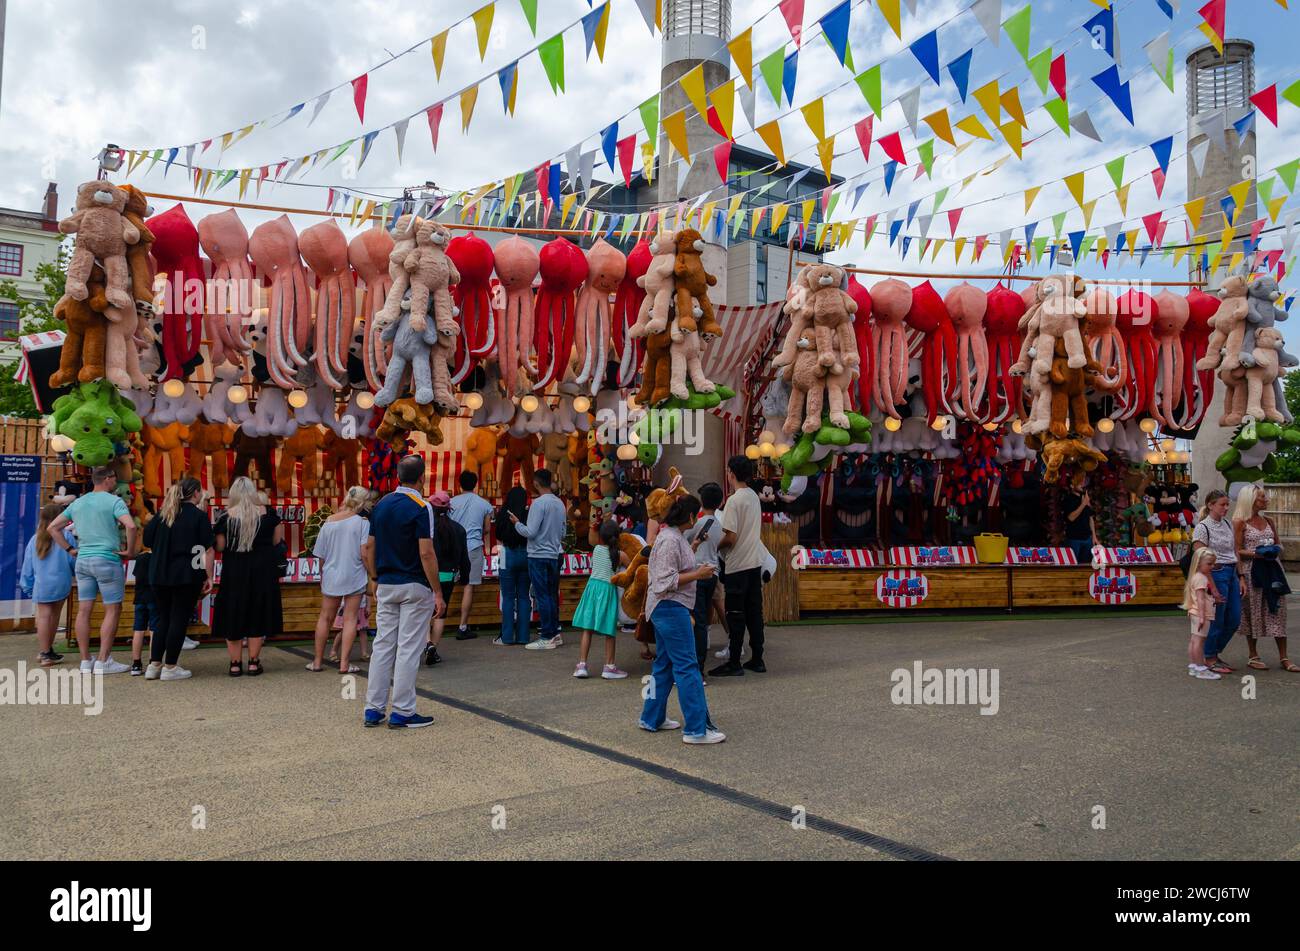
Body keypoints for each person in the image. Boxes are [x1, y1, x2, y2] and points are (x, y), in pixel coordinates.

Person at [361, 456, 445, 729]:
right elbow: (426, 551)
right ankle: (402, 710)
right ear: (422, 478)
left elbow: (368, 547)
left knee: (383, 645)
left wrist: (374, 577)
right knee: (409, 647)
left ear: (398, 476)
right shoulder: (422, 507)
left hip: (385, 582)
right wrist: (437, 591)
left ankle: (373, 708)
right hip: (414, 584)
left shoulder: (381, 505)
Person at [638, 495, 725, 744]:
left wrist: (695, 546)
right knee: (687, 666)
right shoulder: (670, 539)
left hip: (667, 608)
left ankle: (651, 717)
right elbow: (666, 582)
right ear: (689, 516)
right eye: (695, 514)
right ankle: (697, 729)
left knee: (665, 665)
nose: (697, 518)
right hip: (670, 607)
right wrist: (698, 574)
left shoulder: (672, 537)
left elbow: (671, 570)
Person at [48, 466, 137, 675]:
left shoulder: (78, 502)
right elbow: (131, 526)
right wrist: (130, 551)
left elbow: (52, 527)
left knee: (84, 610)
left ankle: (85, 660)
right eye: (114, 478)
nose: (115, 481)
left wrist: (70, 549)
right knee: (112, 609)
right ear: (107, 479)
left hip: (83, 560)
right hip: (107, 559)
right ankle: (104, 660)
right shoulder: (114, 501)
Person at [141, 477, 215, 681]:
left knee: (162, 618)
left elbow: (147, 541)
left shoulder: (161, 515)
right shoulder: (199, 517)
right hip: (186, 574)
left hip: (158, 573)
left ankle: (154, 664)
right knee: (178, 619)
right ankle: (171, 666)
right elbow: (207, 549)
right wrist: (208, 575)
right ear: (196, 493)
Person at [212, 476, 283, 677]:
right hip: (263, 571)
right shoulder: (269, 515)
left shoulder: (225, 518)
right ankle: (253, 662)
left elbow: (221, 546)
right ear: (252, 492)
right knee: (257, 613)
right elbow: (276, 541)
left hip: (234, 571)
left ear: (233, 494)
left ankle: (235, 664)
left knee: (233, 613)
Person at [710, 456, 767, 677]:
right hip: (754, 563)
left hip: (737, 566)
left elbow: (731, 537)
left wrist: (715, 544)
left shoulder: (734, 501)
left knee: (735, 614)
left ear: (732, 473)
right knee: (755, 613)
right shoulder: (753, 496)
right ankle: (757, 658)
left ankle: (734, 662)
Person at [1233, 484, 1297, 672]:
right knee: (1252, 610)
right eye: (1262, 497)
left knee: (1278, 609)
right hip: (1252, 570)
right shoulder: (1240, 522)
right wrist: (1256, 556)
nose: (1266, 500)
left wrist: (1274, 550)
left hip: (1273, 569)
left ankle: (1284, 657)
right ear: (1251, 500)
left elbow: (1279, 544)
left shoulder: (1269, 520)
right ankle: (1253, 655)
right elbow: (1236, 550)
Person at [309, 486, 371, 673]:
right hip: (354, 575)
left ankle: (317, 662)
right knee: (351, 619)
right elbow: (364, 553)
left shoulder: (328, 522)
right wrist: (371, 574)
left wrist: (322, 575)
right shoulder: (362, 523)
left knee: (325, 618)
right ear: (362, 502)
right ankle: (344, 664)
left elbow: (321, 554)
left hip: (331, 574)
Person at [1190, 488, 1244, 676]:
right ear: (1211, 505)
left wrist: (1241, 576)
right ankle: (1210, 657)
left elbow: (1235, 549)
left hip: (1231, 571)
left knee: (1235, 618)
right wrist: (1211, 585)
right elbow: (1201, 559)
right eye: (1222, 504)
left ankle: (1213, 651)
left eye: (1227, 504)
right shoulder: (1202, 527)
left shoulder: (1228, 524)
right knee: (1217, 618)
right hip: (1216, 572)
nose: (1226, 508)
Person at [515, 469, 567, 650]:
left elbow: (530, 532)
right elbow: (563, 532)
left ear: (536, 483)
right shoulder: (560, 503)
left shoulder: (538, 504)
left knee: (543, 595)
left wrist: (516, 523)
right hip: (554, 554)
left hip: (538, 555)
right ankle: (554, 632)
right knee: (552, 594)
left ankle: (546, 635)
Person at [20, 503, 76, 668]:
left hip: (41, 584)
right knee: (54, 617)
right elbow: (73, 560)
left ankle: (45, 651)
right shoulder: (66, 536)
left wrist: (27, 586)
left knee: (44, 617)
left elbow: (27, 566)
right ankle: (47, 650)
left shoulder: (34, 539)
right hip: (61, 582)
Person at [572, 519, 629, 680]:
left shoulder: (596, 549)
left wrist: (594, 526)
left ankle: (582, 665)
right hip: (608, 590)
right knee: (609, 631)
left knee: (587, 629)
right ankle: (609, 666)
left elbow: (591, 538)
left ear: (601, 537)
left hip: (592, 589)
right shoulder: (620, 555)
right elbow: (631, 570)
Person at [424, 491, 470, 666]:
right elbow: (464, 558)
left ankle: (428, 644)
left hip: (427, 574)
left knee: (425, 612)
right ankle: (433, 648)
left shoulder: (427, 529)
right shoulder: (458, 529)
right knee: (440, 613)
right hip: (448, 575)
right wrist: (465, 577)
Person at [448, 470, 495, 641]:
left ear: (459, 484)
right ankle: (462, 626)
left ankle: (438, 622)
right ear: (475, 484)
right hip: (474, 547)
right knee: (469, 586)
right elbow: (488, 529)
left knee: (447, 584)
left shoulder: (451, 503)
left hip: (453, 548)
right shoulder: (484, 504)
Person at [686, 482, 724, 673]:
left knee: (697, 621)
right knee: (703, 617)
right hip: (713, 575)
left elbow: (685, 539)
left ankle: (698, 667)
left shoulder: (699, 523)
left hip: (698, 574)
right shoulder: (720, 525)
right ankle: (698, 662)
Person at [493, 486, 532, 646]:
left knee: (508, 597)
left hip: (507, 554)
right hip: (526, 555)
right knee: (524, 596)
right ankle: (523, 636)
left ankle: (507, 637)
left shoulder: (502, 514)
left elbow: (498, 535)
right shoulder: (528, 514)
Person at [1182, 549, 1221, 680]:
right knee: (1199, 642)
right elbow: (1201, 599)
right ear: (1199, 563)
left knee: (1194, 640)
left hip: (1194, 613)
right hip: (1201, 614)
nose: (1212, 566)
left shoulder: (1195, 577)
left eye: (1213, 564)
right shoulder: (1201, 579)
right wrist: (1203, 617)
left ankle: (1193, 665)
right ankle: (1200, 668)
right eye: (1209, 564)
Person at [129, 547, 156, 676]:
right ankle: (153, 662)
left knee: (138, 630)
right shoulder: (159, 558)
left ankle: (136, 663)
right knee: (154, 631)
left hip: (139, 598)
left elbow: (136, 578)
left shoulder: (140, 558)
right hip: (154, 598)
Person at [1061, 488, 1096, 563]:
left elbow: (1090, 517)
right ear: (1071, 485)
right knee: (1072, 564)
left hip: (1087, 538)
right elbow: (1071, 518)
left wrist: (1094, 536)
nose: (1082, 484)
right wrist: (1083, 504)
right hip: (1074, 538)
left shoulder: (1084, 497)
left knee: (1086, 565)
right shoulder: (1068, 499)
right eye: (1079, 482)